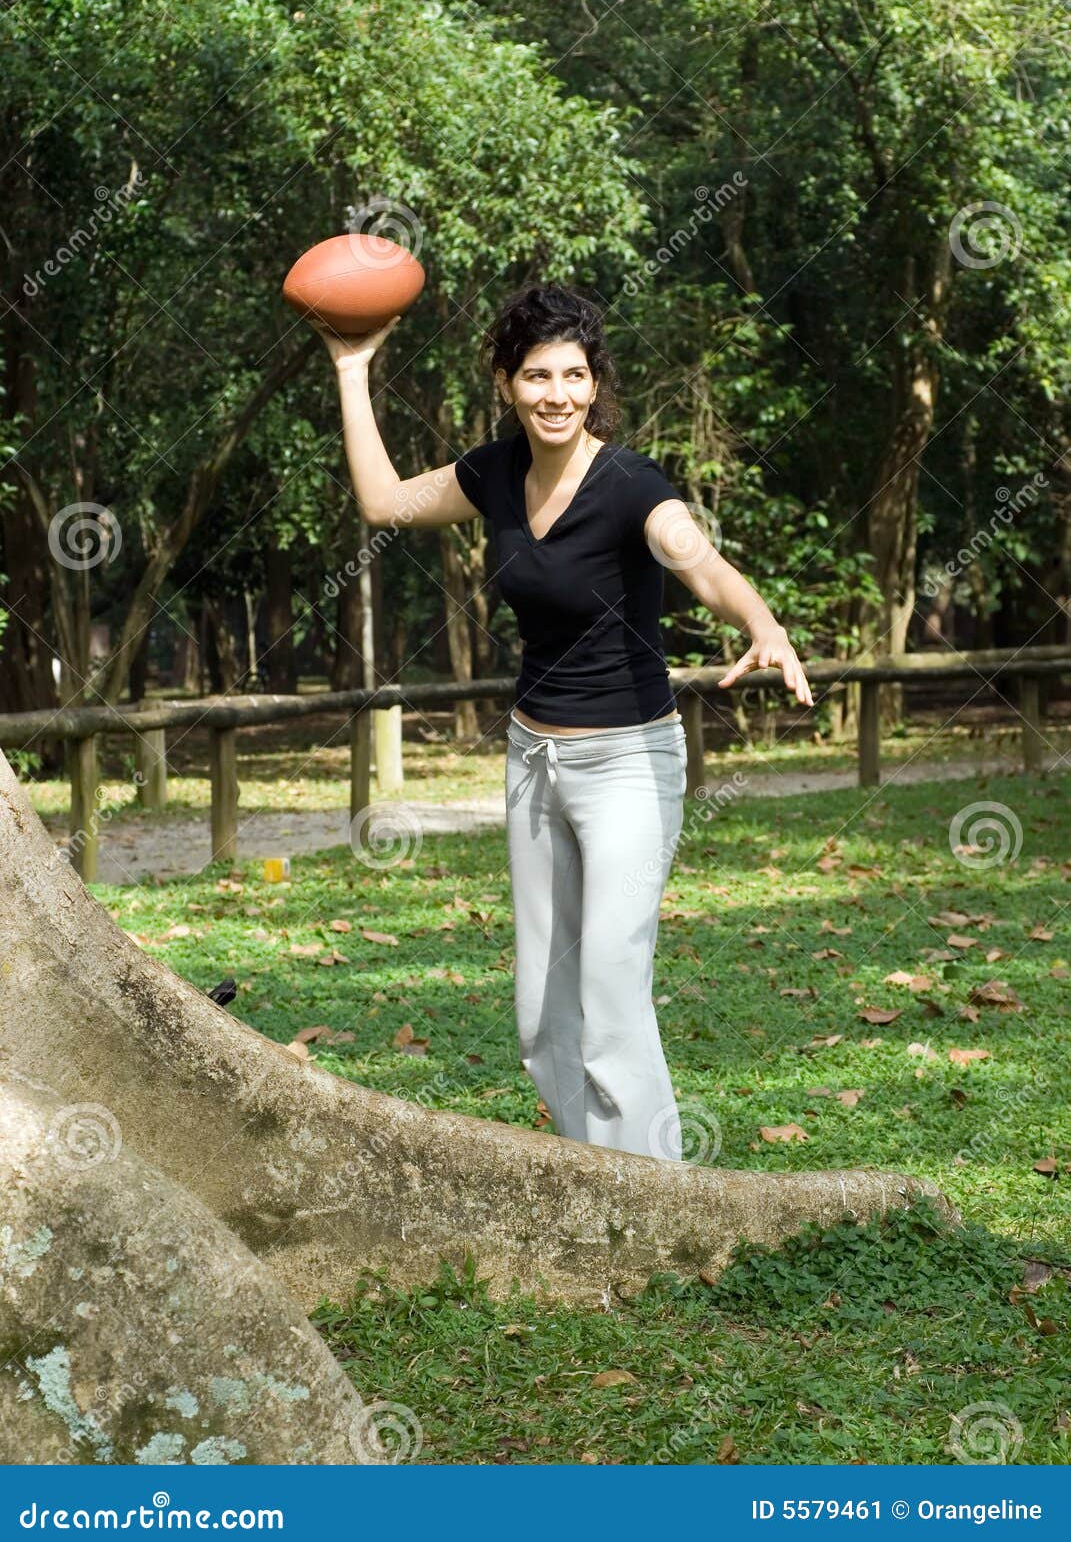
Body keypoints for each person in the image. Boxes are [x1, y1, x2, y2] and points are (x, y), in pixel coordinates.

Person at [319, 283, 813, 1162]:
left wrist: (761, 623)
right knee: (541, 1013)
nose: (557, 394)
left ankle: (655, 1193)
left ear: (595, 383)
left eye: (574, 375)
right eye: (537, 375)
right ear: (507, 383)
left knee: (612, 988)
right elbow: (384, 504)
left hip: (628, 764)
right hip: (533, 761)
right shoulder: (494, 474)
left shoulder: (630, 486)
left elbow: (700, 562)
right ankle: (590, 1177)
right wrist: (354, 369)